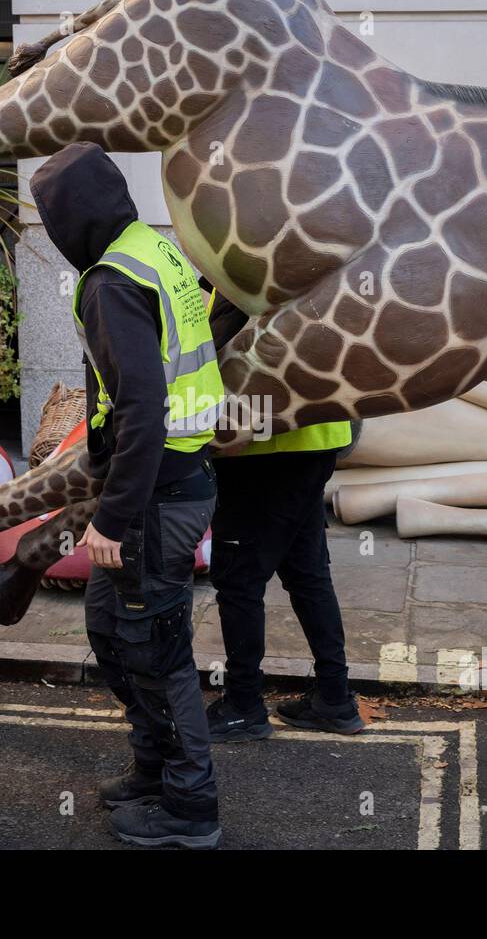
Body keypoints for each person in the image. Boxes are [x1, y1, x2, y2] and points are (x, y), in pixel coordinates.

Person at [31, 142, 224, 849]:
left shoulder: (112, 282)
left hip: (156, 498)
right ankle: (154, 766)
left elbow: (142, 405)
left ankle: (191, 806)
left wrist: (111, 518)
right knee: (111, 628)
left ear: (70, 220)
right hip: (168, 483)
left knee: (156, 649)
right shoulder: (152, 249)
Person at [202, 292, 364, 741]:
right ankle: (334, 697)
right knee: (307, 570)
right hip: (318, 434)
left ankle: (243, 704)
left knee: (238, 579)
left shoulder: (245, 266)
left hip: (264, 444)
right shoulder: (303, 259)